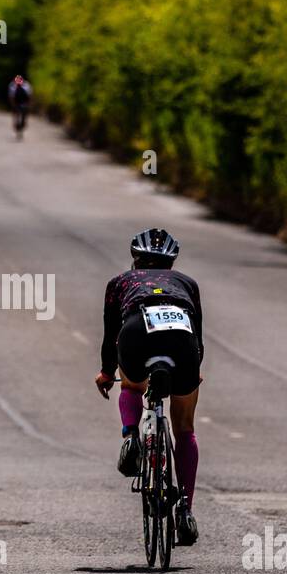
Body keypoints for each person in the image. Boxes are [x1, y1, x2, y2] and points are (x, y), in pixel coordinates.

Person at [94, 228, 204, 546]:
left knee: (131, 384)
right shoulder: (187, 284)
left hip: (136, 333)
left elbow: (109, 335)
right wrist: (194, 370)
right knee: (185, 428)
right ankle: (185, 508)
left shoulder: (119, 283)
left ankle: (130, 435)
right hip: (183, 342)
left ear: (135, 259)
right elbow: (198, 334)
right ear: (172, 262)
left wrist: (105, 372)